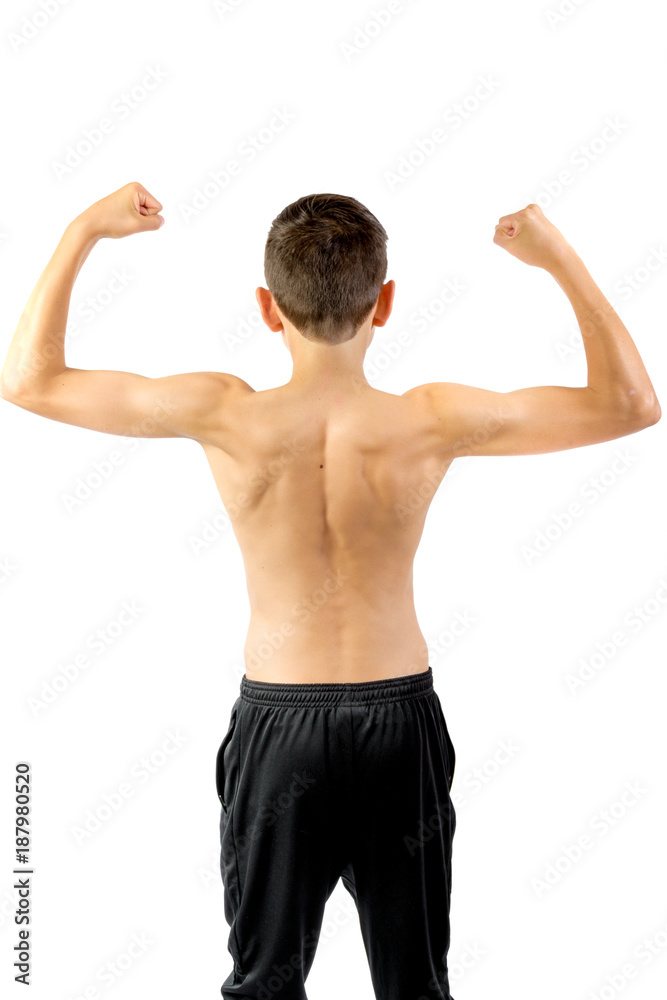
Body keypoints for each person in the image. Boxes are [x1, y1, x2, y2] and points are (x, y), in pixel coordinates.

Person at [1, 182, 660, 1000]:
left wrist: (82, 231)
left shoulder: (223, 413)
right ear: (384, 303)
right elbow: (631, 405)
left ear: (266, 307)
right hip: (398, 726)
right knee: (413, 988)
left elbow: (29, 381)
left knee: (263, 987)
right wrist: (555, 257)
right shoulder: (430, 418)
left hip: (280, 730)